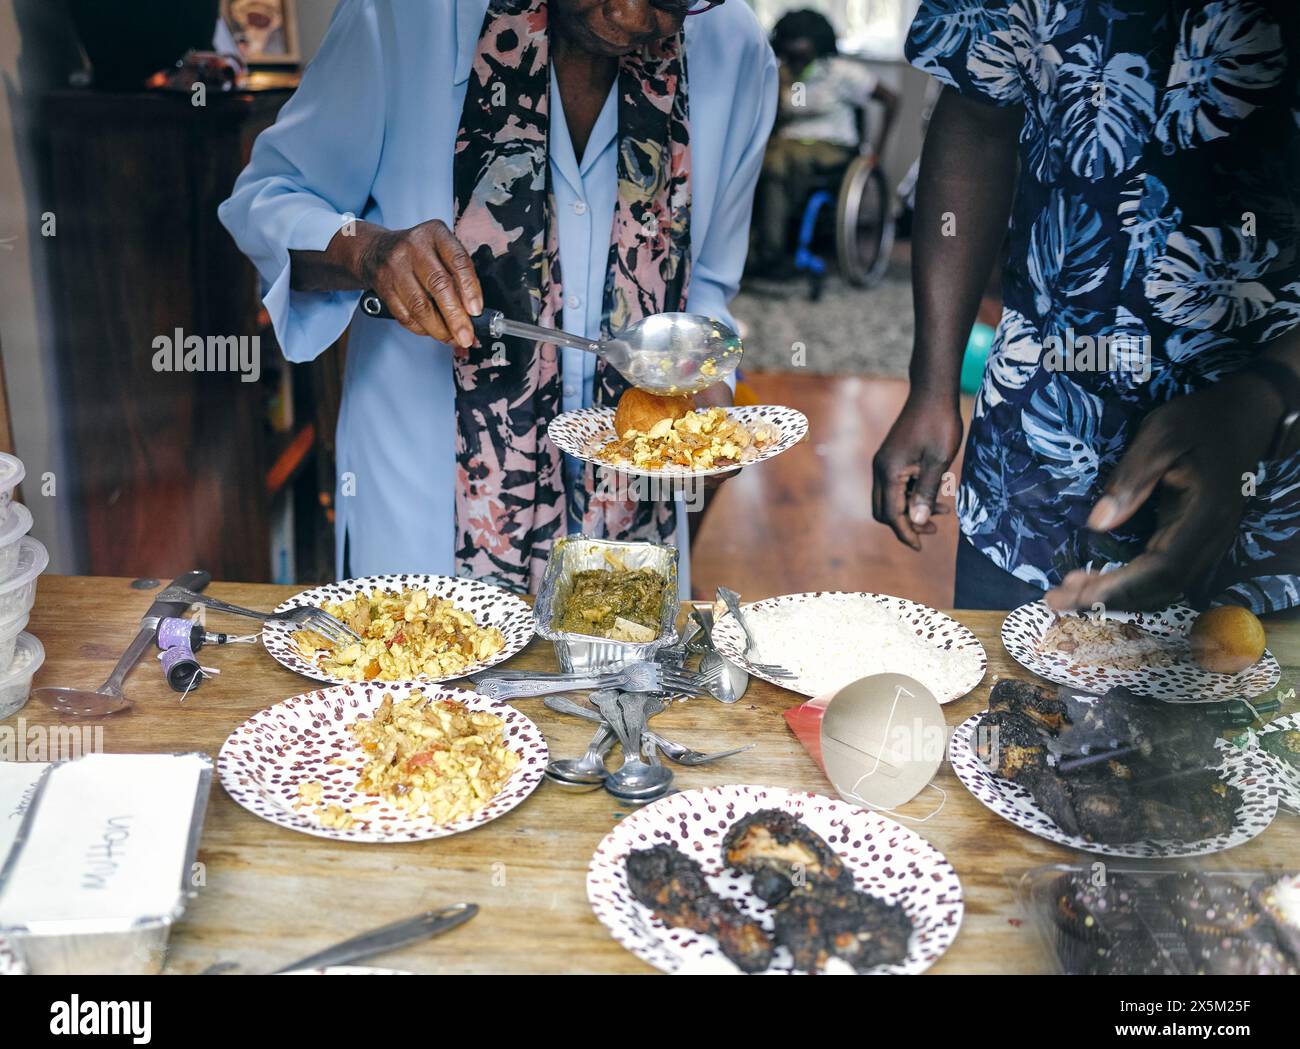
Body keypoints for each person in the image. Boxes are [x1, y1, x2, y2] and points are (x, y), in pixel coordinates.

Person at [219, 0, 777, 594]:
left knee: (617, 681)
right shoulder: (401, 15)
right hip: (427, 511)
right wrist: (368, 252)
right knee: (429, 674)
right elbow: (269, 200)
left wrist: (707, 410)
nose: (635, 16)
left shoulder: (734, 50)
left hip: (632, 529)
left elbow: (709, 285)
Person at [873, 0, 1300, 614]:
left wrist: (1269, 391)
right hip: (1035, 451)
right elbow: (974, 119)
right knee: (1016, 702)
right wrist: (933, 383)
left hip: (1271, 483)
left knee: (1251, 701)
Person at [752, 8, 898, 277]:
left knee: (778, 162)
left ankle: (771, 252)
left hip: (831, 148)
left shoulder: (842, 73)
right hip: (787, 145)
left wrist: (877, 152)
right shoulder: (783, 74)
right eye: (790, 41)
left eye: (801, 41)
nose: (795, 48)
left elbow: (891, 100)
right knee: (757, 161)